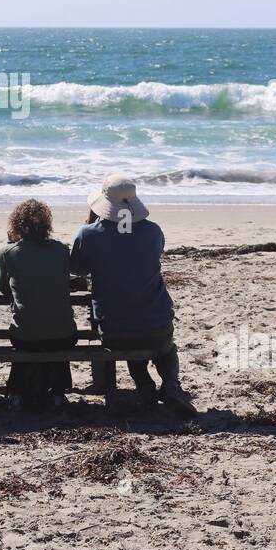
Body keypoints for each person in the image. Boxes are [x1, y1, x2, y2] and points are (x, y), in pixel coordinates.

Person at [70, 175, 196, 419]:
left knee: (129, 339)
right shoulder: (153, 231)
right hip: (157, 322)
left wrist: (93, 223)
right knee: (166, 348)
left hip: (114, 329)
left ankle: (145, 385)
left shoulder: (88, 234)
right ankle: (170, 383)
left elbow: (77, 269)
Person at [0, 199, 78, 410]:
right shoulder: (61, 250)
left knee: (27, 335)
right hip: (64, 335)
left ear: (15, 224)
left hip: (25, 336)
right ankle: (58, 392)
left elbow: (3, 288)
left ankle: (17, 392)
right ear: (46, 225)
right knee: (54, 334)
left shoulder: (8, 252)